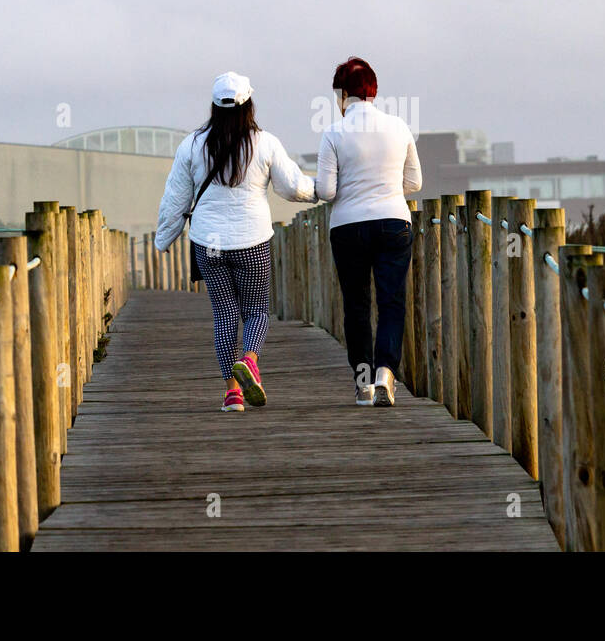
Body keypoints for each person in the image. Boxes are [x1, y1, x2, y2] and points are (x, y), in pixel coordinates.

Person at [156, 71, 316, 412]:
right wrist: (322, 190)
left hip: (208, 244)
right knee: (256, 311)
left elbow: (176, 199)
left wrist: (163, 239)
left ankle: (232, 393)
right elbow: (290, 187)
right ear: (249, 105)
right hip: (252, 240)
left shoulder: (193, 145)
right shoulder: (265, 143)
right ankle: (251, 360)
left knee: (224, 315)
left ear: (214, 106)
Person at [315, 57, 422, 406]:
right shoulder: (399, 126)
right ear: (373, 91)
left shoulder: (333, 133)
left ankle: (362, 382)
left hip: (348, 227)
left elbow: (327, 191)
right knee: (391, 301)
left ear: (343, 94)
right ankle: (386, 375)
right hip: (393, 222)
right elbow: (415, 182)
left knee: (357, 304)